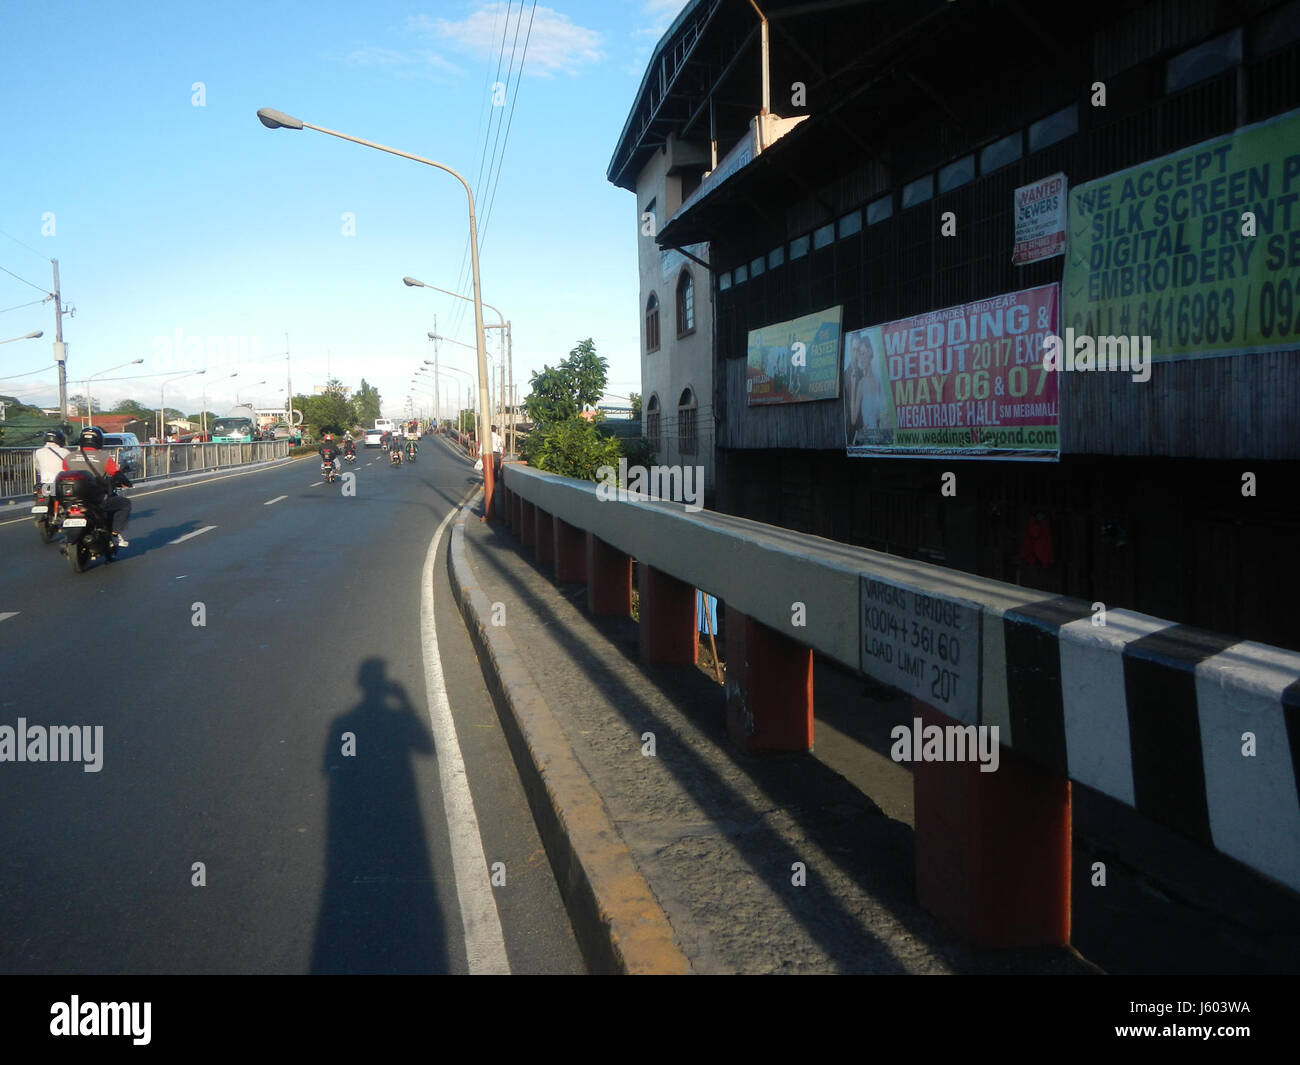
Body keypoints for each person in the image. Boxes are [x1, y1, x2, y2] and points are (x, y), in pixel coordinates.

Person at [63, 426, 133, 547]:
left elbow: (64, 474)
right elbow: (116, 474)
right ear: (99, 440)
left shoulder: (68, 457)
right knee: (125, 504)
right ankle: (115, 535)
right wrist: (127, 483)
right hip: (96, 499)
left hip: (72, 499)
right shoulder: (104, 457)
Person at [33, 429, 70, 498]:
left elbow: (38, 468)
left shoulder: (38, 452)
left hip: (45, 484)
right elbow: (69, 468)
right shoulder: (66, 452)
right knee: (65, 502)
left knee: (44, 499)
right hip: (60, 484)